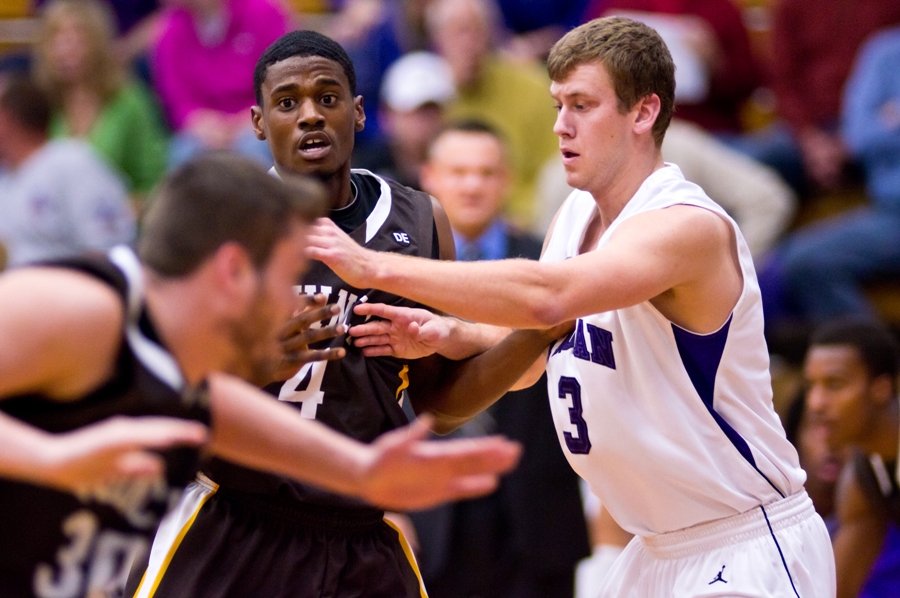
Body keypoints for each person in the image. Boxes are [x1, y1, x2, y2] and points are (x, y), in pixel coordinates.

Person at [307, 16, 835, 596]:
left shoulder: (686, 226)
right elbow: (549, 349)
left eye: (582, 105)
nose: (560, 126)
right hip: (655, 546)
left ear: (643, 112)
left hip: (741, 540)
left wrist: (373, 265)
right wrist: (452, 335)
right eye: (558, 104)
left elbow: (547, 298)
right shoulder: (574, 217)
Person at [130, 30, 550, 598]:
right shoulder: (218, 220)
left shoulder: (421, 220)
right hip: (232, 522)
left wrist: (543, 330)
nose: (309, 116)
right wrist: (254, 364)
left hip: (359, 537)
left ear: (356, 114)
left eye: (327, 99)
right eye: (287, 103)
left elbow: (435, 404)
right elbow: (150, 391)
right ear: (258, 122)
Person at [0, 151, 522, 598]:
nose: (304, 294)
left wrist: (361, 471)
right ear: (233, 271)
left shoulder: (182, 372)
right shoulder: (87, 308)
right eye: (290, 274)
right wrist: (49, 458)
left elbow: (222, 414)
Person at [409, 121, 590, 598]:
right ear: (429, 176)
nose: (473, 185)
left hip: (537, 518)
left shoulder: (551, 267)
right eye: (459, 171)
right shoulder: (400, 272)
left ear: (507, 180)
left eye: (487, 172)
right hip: (427, 516)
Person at [426, 0, 559, 229]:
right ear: (437, 41)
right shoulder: (425, 92)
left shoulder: (532, 87)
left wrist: (518, 216)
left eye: (475, 31)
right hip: (442, 218)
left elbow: (553, 168)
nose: (468, 43)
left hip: (523, 222)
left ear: (492, 36)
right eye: (457, 32)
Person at [32, 0, 169, 205]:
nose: (65, 51)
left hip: (117, 222)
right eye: (57, 41)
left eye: (75, 40)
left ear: (97, 44)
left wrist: (132, 207)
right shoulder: (41, 103)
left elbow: (154, 179)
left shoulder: (129, 102)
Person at [804, 319, 900, 598]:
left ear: (881, 389)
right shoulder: (867, 471)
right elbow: (836, 590)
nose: (816, 403)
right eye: (812, 385)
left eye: (834, 384)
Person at [0, 73, 135, 269]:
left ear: (6, 119)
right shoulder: (5, 177)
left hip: (70, 292)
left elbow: (111, 249)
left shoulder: (72, 162)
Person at [151, 0, 288, 167]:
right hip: (205, 128)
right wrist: (199, 121)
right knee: (183, 155)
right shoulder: (171, 31)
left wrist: (252, 115)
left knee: (254, 150)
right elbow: (176, 98)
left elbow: (280, 80)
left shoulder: (264, 13)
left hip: (258, 117)